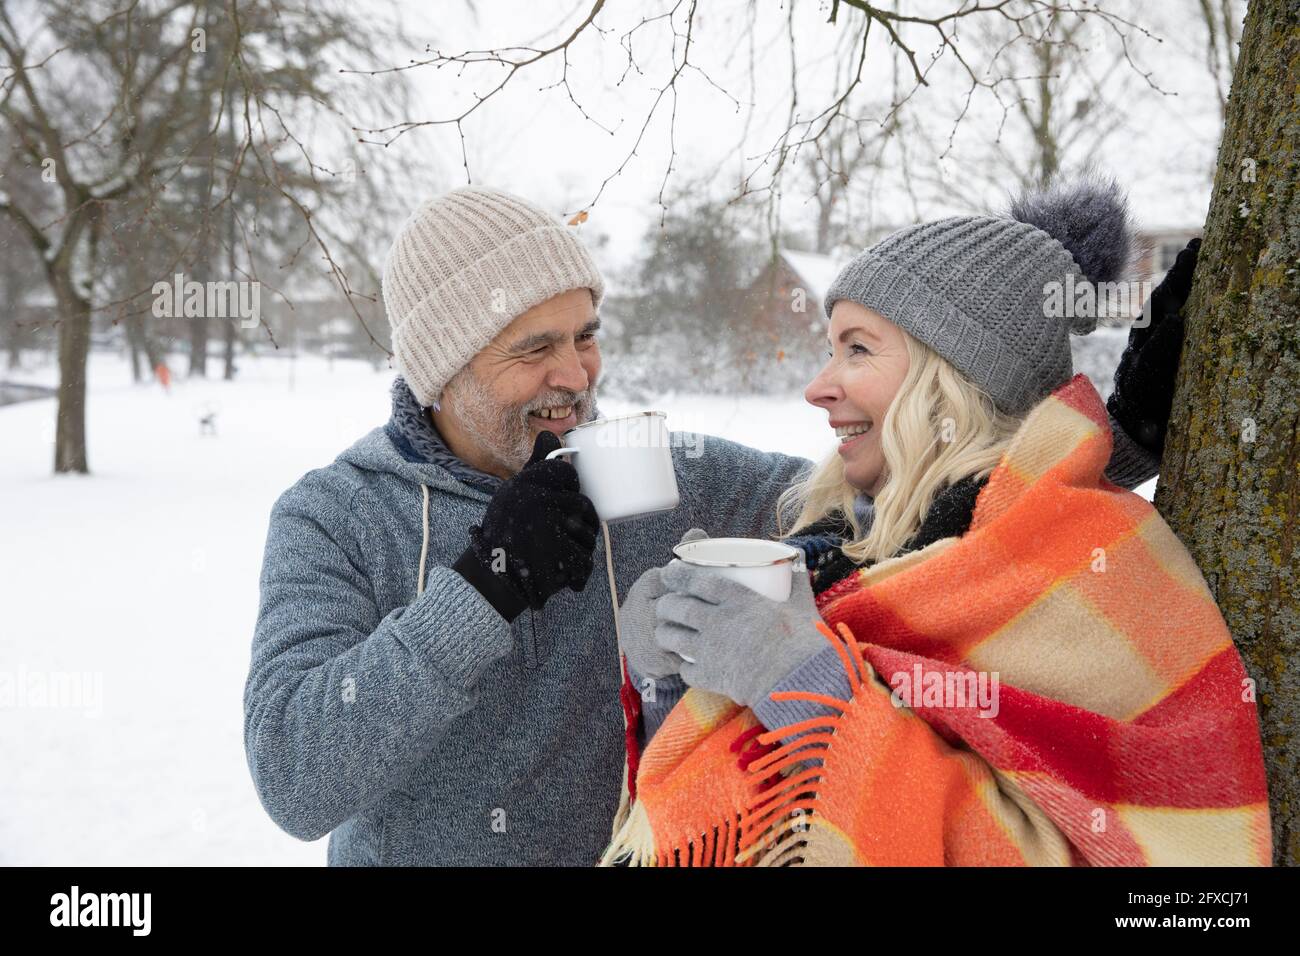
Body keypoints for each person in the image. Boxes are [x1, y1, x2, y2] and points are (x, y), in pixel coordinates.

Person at [244, 184, 1173, 867]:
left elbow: (895, 498)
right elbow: (294, 778)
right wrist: (483, 589)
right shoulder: (335, 515)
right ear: (444, 371)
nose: (578, 374)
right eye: (535, 349)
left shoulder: (630, 474)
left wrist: (1104, 446)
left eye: (587, 333)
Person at [607, 178, 1272, 867]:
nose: (817, 385)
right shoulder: (851, 549)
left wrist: (806, 685)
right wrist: (676, 674)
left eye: (857, 349)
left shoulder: (1090, 574)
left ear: (952, 376)